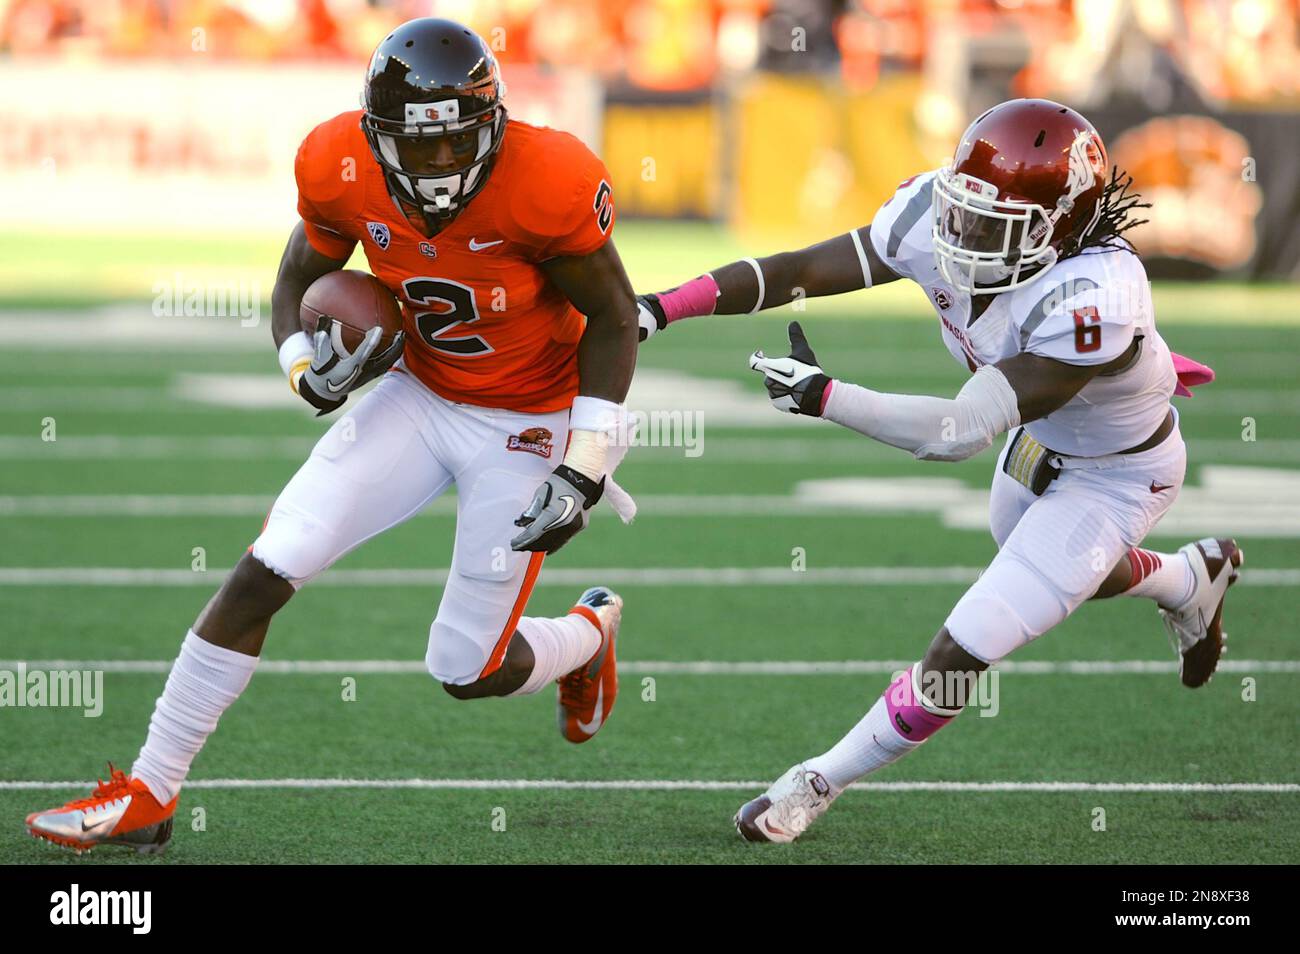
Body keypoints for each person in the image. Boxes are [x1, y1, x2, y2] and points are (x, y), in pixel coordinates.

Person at [26, 17, 639, 854]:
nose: (437, 167)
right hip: (420, 393)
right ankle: (150, 791)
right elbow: (294, 283)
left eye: (455, 142)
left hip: (536, 416)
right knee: (271, 562)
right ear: (375, 136)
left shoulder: (549, 178)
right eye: (414, 149)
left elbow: (612, 316)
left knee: (468, 670)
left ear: (491, 122)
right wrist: (300, 369)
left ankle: (587, 637)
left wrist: (586, 463)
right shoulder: (337, 163)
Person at [636, 98, 1242, 843]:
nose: (962, 236)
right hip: (1045, 437)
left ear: (1062, 229)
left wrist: (828, 396)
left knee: (966, 646)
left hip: (1118, 472)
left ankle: (819, 779)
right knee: (1032, 551)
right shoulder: (939, 213)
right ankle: (1187, 579)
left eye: (995, 227)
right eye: (963, 212)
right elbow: (798, 270)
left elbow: (957, 433)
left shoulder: (1096, 297)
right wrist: (664, 307)